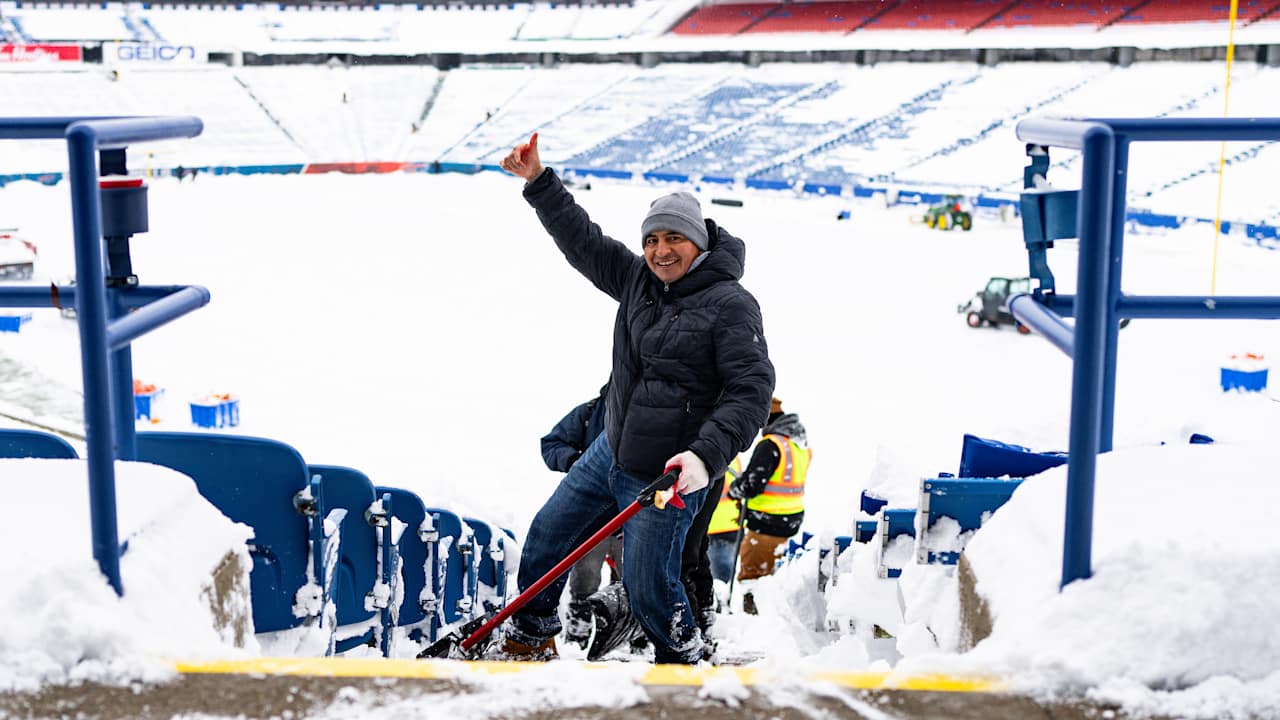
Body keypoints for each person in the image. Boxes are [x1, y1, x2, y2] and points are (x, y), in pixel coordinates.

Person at [496, 134, 775, 664]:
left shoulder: (731, 305)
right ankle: (530, 639)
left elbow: (751, 390)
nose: (660, 251)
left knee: (650, 588)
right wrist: (538, 182)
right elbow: (584, 241)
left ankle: (683, 664)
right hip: (611, 448)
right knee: (546, 540)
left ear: (700, 243)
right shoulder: (637, 282)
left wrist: (703, 457)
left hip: (668, 471)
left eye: (674, 239)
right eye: (651, 240)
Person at [539, 382, 623, 647]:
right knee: (585, 577)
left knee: (634, 580)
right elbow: (552, 444)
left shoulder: (653, 413)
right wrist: (579, 463)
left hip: (632, 513)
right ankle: (578, 630)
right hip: (593, 515)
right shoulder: (589, 413)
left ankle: (633, 633)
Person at [728, 397, 810, 614]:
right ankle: (771, 620)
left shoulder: (771, 444)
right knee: (775, 577)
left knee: (753, 577)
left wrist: (735, 489)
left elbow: (752, 483)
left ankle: (754, 623)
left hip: (765, 524)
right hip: (789, 521)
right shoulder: (798, 445)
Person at [705, 457, 744, 584]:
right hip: (733, 525)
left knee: (720, 580)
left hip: (717, 528)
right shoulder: (734, 458)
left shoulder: (709, 461)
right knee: (725, 577)